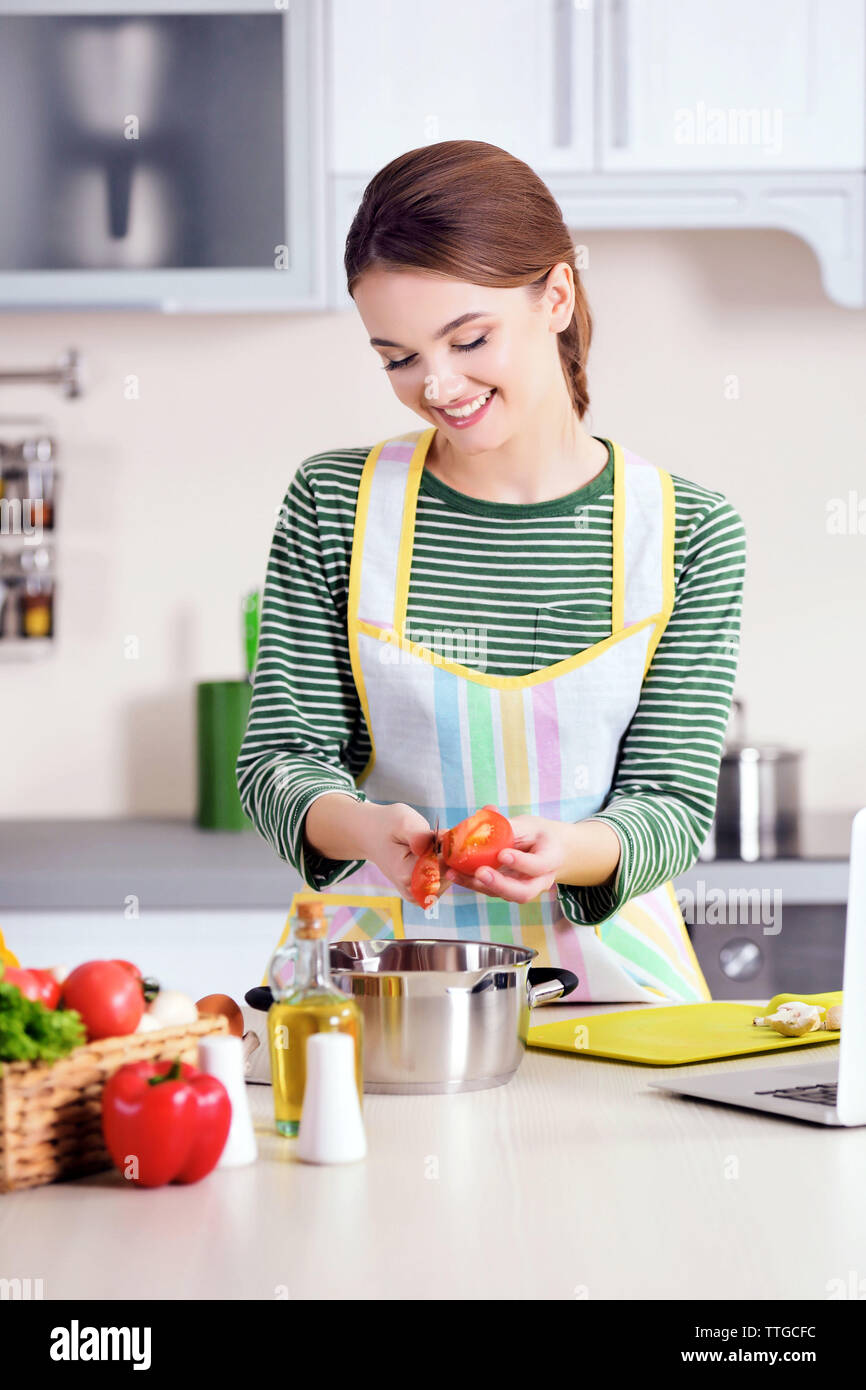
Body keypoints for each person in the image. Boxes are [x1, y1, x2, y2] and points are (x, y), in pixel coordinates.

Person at [237, 140, 746, 1002]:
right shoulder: (336, 501)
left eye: (468, 338)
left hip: (610, 987)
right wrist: (365, 827)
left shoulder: (688, 530)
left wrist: (567, 851)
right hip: (380, 980)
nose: (436, 384)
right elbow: (280, 761)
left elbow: (672, 804)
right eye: (397, 357)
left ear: (556, 295)